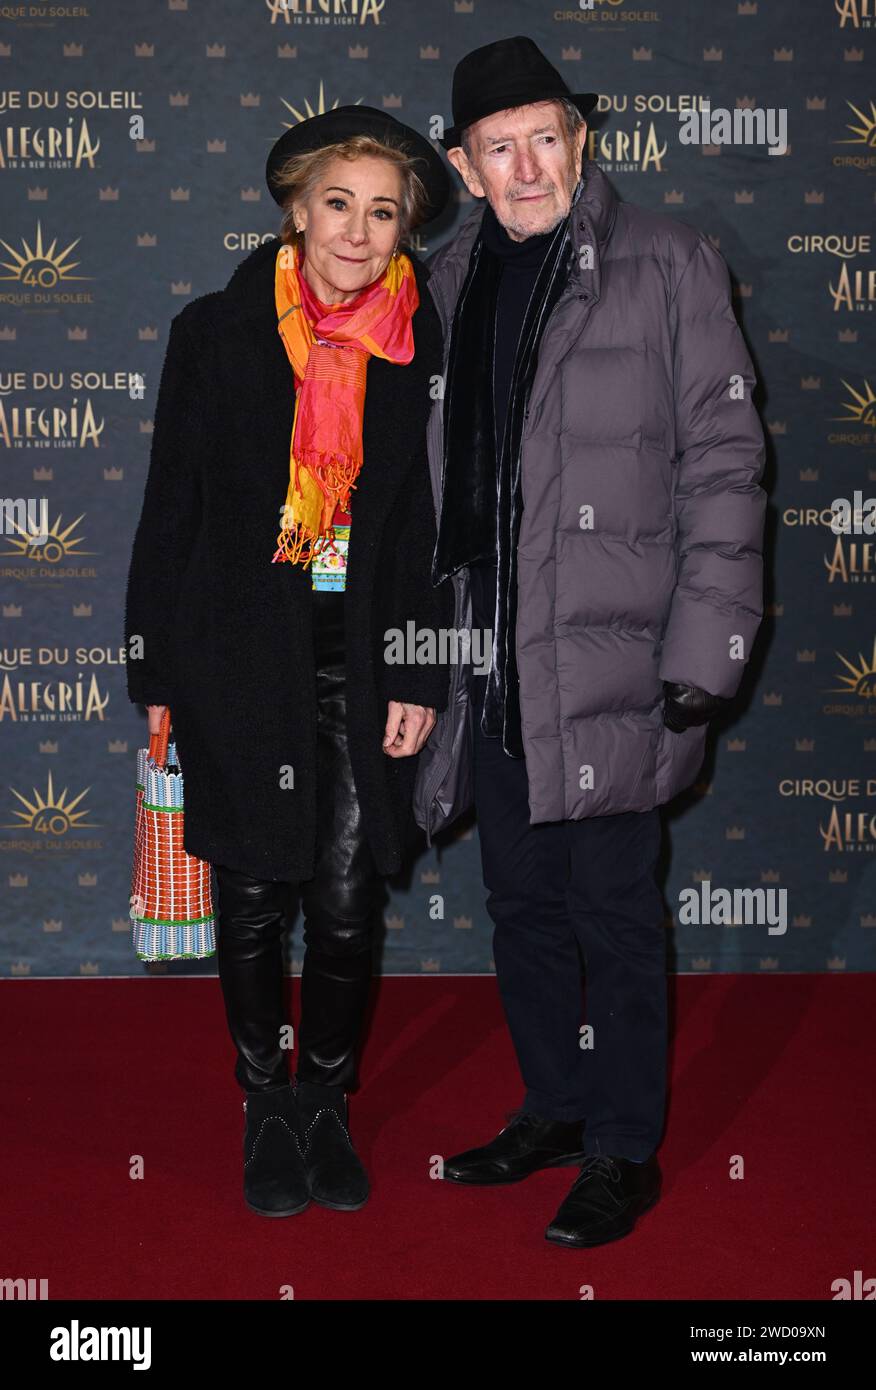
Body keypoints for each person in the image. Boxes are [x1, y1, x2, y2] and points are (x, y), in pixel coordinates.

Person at [414, 36, 767, 1248]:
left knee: (614, 912)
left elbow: (725, 463)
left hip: (616, 661)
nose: (525, 165)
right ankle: (555, 1109)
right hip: (493, 662)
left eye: (544, 136)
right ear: (465, 167)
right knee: (520, 903)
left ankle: (623, 1146)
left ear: (583, 138)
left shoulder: (668, 262)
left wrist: (702, 654)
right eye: (497, 147)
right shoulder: (449, 277)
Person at [124, 106, 454, 1218]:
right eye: (338, 205)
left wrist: (419, 672)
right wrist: (156, 670)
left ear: (405, 226)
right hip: (237, 653)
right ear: (294, 210)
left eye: (383, 212)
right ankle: (265, 1103)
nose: (358, 232)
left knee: (351, 896)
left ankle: (326, 1099)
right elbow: (172, 507)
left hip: (361, 658)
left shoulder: (421, 346)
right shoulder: (213, 333)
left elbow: (425, 533)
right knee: (256, 892)